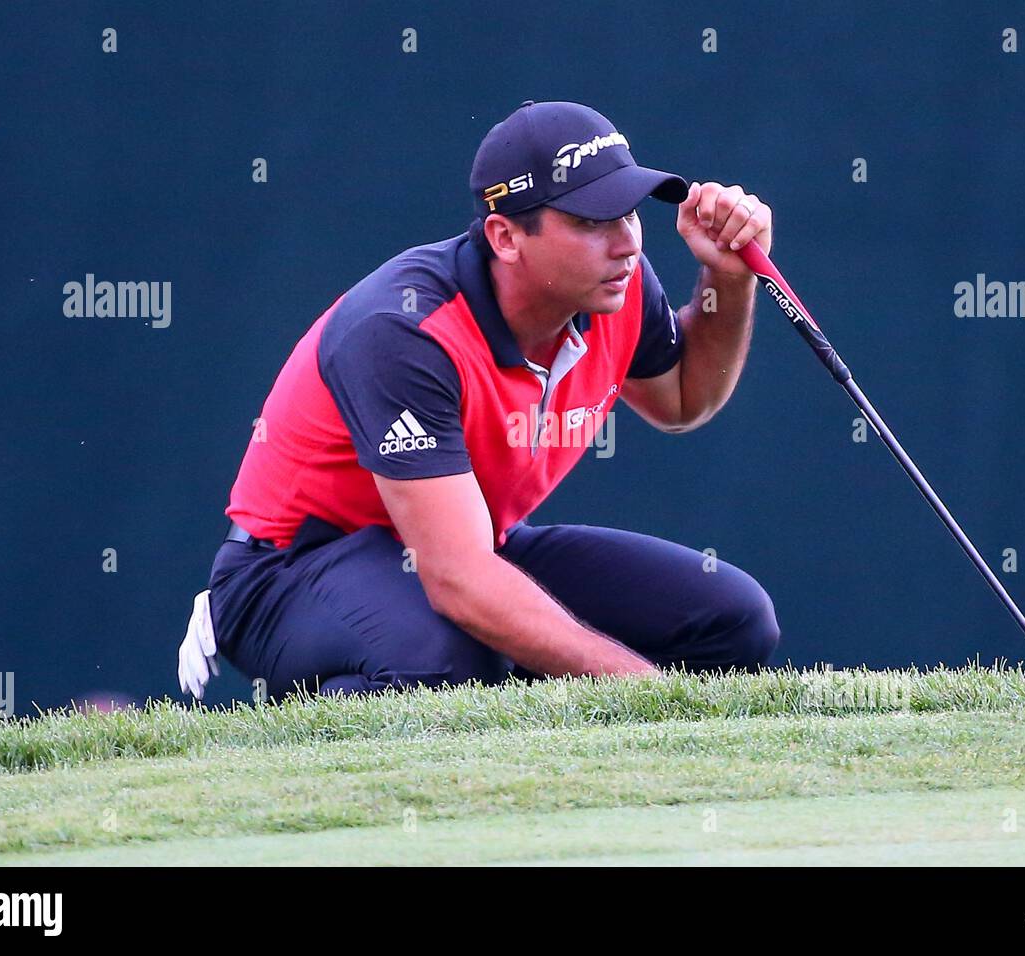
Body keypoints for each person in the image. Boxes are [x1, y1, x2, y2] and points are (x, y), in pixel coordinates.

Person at [177, 99, 780, 702]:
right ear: (506, 237)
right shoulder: (403, 331)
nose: (625, 243)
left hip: (465, 544)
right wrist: (654, 695)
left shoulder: (616, 286)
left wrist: (729, 278)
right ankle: (309, 714)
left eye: (628, 214)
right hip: (289, 571)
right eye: (592, 222)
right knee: (449, 667)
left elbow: (682, 401)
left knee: (734, 622)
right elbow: (459, 580)